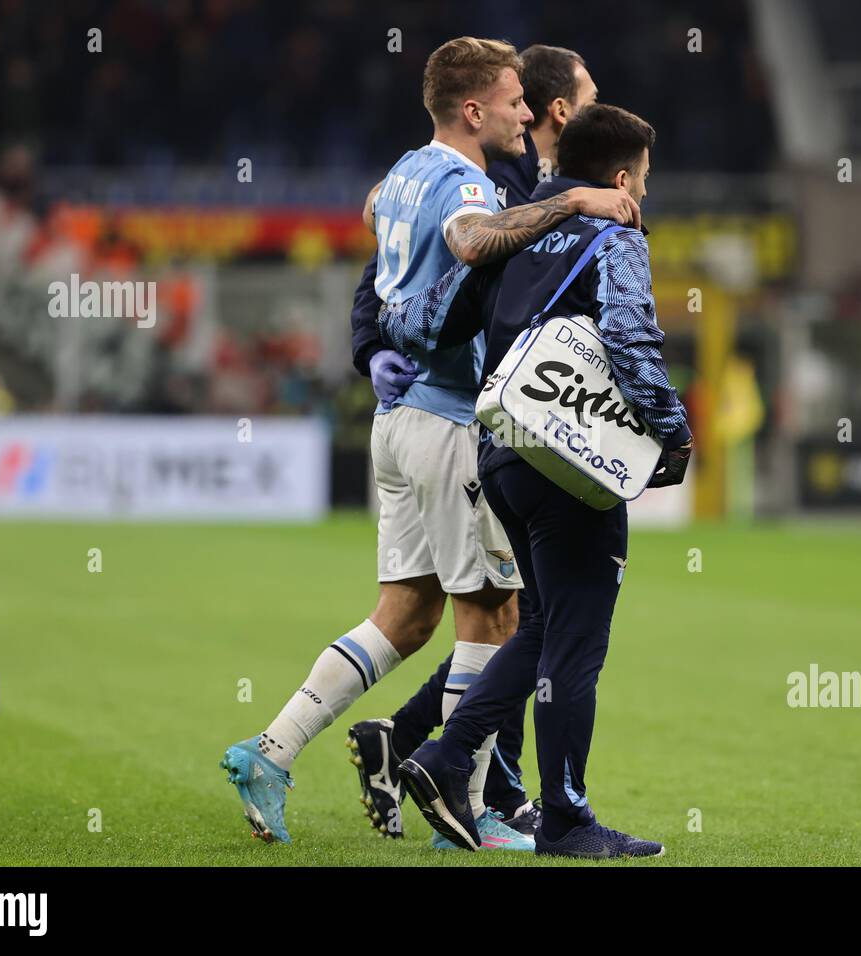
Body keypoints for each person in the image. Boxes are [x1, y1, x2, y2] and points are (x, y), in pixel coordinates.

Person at [220, 38, 637, 848]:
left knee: (406, 617)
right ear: (474, 109)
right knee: (495, 618)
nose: (524, 111)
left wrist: (381, 336)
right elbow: (474, 241)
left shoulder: (406, 169)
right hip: (450, 420)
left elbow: (379, 213)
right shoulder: (469, 181)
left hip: (396, 423)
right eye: (513, 99)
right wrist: (578, 204)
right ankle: (465, 809)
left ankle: (269, 750)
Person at [387, 103, 692, 858]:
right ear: (622, 178)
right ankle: (565, 818)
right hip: (573, 464)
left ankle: (442, 756)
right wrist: (675, 434)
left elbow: (419, 323)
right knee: (576, 647)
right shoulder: (616, 235)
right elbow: (628, 337)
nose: (643, 195)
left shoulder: (510, 237)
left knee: (545, 625)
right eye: (643, 181)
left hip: (500, 455)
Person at [345, 44, 600, 842]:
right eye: (588, 94)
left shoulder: (536, 177)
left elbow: (386, 211)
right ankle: (480, 787)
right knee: (515, 614)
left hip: (520, 416)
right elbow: (388, 259)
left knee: (511, 611)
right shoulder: (513, 183)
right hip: (474, 417)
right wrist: (370, 347)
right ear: (562, 109)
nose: (526, 114)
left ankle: (417, 746)